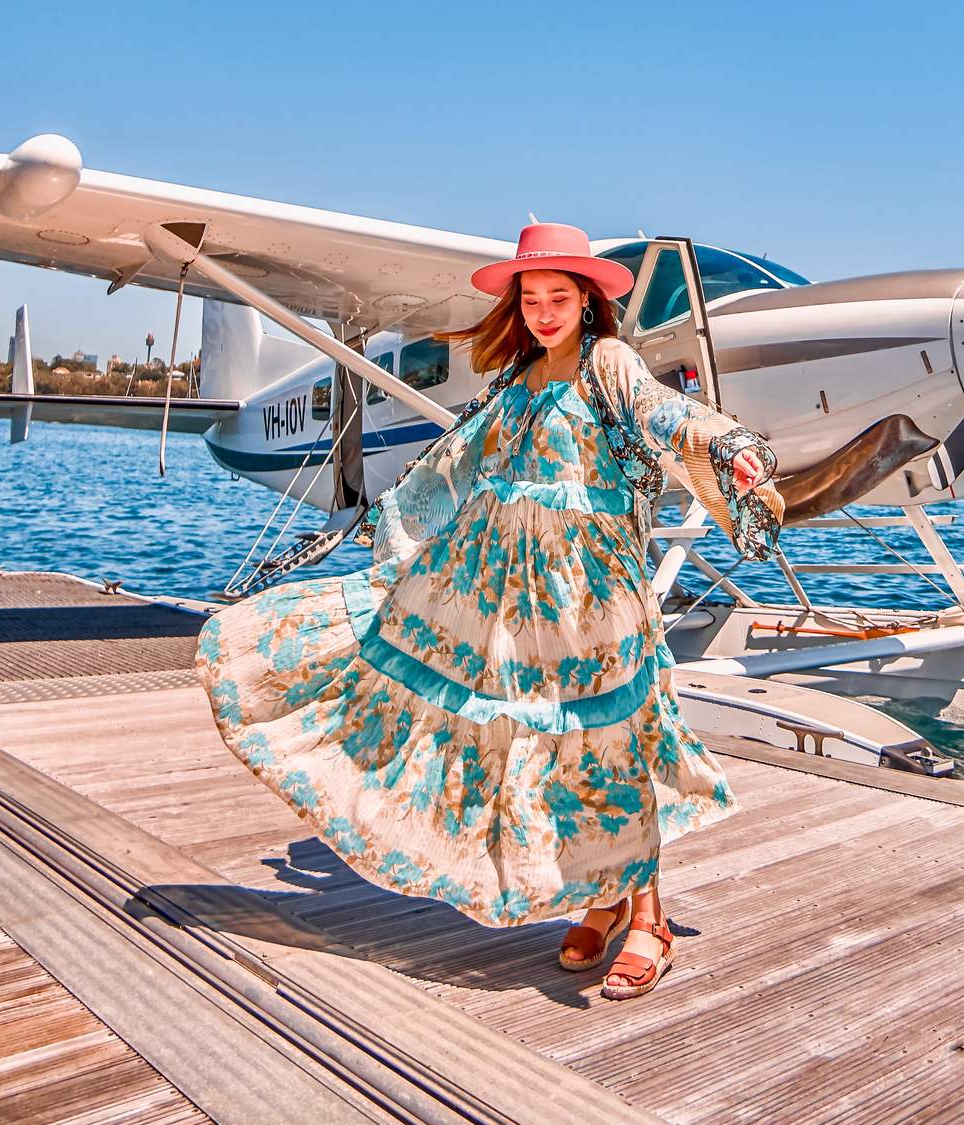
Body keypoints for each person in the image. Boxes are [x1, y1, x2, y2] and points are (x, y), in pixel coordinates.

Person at [195, 222, 783, 1000]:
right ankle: (605, 903)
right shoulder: (516, 382)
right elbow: (454, 462)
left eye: (558, 297)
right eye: (531, 298)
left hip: (594, 596)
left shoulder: (608, 364)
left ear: (587, 303)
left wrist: (728, 448)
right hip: (513, 599)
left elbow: (662, 414)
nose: (543, 312)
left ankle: (651, 920)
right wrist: (396, 517)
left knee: (612, 741)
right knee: (554, 750)